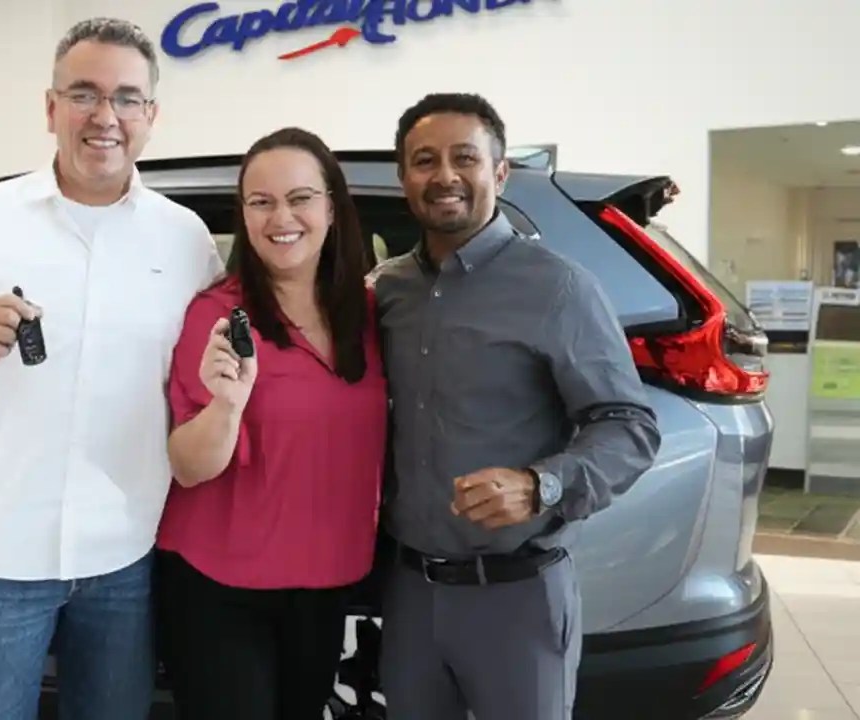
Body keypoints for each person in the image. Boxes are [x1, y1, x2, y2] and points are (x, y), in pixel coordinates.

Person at [0, 17, 223, 720]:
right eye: (83, 94)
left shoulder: (184, 240)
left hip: (126, 556)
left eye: (126, 98)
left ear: (151, 115)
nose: (104, 116)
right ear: (50, 107)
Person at [370, 92, 662, 720]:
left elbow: (629, 426)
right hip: (409, 594)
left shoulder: (558, 286)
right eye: (424, 160)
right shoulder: (387, 290)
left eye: (464, 158)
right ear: (404, 180)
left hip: (516, 594)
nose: (444, 175)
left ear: (498, 172)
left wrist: (542, 484)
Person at [153, 127, 388, 720]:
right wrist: (226, 404)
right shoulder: (217, 314)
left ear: (332, 208)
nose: (281, 216)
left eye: (300, 197)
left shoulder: (369, 313)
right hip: (222, 587)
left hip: (325, 579)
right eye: (261, 202)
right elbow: (188, 465)